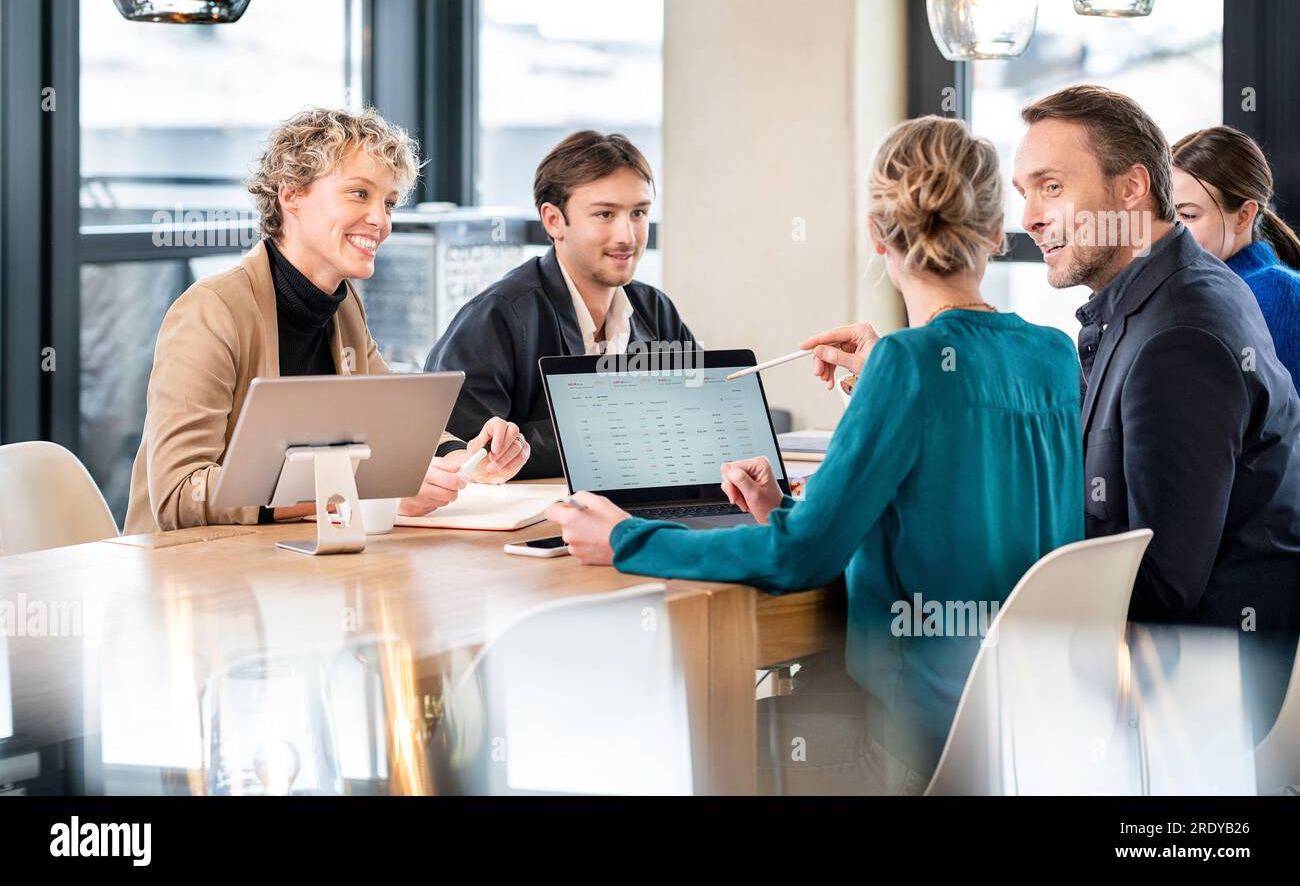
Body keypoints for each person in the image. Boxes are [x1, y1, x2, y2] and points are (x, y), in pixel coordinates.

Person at [547, 115, 1084, 794]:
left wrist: (625, 536)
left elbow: (798, 556)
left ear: (876, 233)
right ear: (996, 233)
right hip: (1024, 743)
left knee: (672, 744)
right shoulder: (1053, 354)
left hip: (913, 752)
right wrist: (784, 505)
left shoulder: (905, 364)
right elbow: (947, 504)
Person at [124, 108, 531, 535]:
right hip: (192, 575)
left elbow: (395, 419)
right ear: (292, 194)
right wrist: (363, 489)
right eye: (359, 194)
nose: (381, 220)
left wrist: (466, 459)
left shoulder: (341, 304)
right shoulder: (211, 311)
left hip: (288, 565)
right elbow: (179, 495)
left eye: (389, 203)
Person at [1012, 85, 1300, 634]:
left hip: (1205, 685)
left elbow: (1161, 582)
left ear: (1132, 188)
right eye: (1023, 193)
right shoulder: (1161, 292)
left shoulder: (1179, 331)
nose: (1029, 217)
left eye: (1052, 187)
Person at [424, 131, 698, 479]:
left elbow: (695, 420)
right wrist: (620, 430)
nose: (627, 237)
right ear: (554, 220)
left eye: (639, 213)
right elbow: (466, 455)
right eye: (605, 215)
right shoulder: (497, 316)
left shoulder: (655, 310)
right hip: (526, 524)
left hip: (632, 509)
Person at [1171, 125, 1300, 389]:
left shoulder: (1273, 292)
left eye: (1189, 216)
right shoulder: (1195, 288)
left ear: (1243, 216)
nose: (1172, 231)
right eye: (1167, 215)